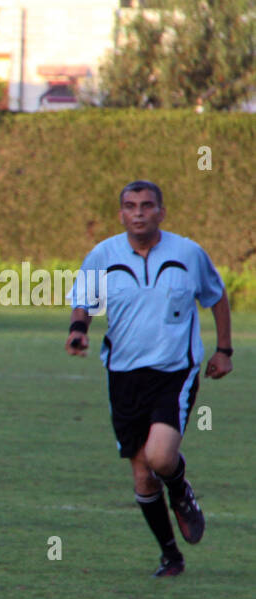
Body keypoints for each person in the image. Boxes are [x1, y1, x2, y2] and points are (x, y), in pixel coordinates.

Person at [66, 180, 232, 577]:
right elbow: (83, 301)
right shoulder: (102, 255)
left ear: (161, 211)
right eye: (130, 205)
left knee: (159, 458)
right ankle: (170, 555)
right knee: (142, 475)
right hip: (123, 374)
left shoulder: (188, 253)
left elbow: (216, 296)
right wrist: (77, 330)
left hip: (175, 370)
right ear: (121, 213)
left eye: (146, 205)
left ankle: (180, 489)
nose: (138, 212)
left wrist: (224, 351)